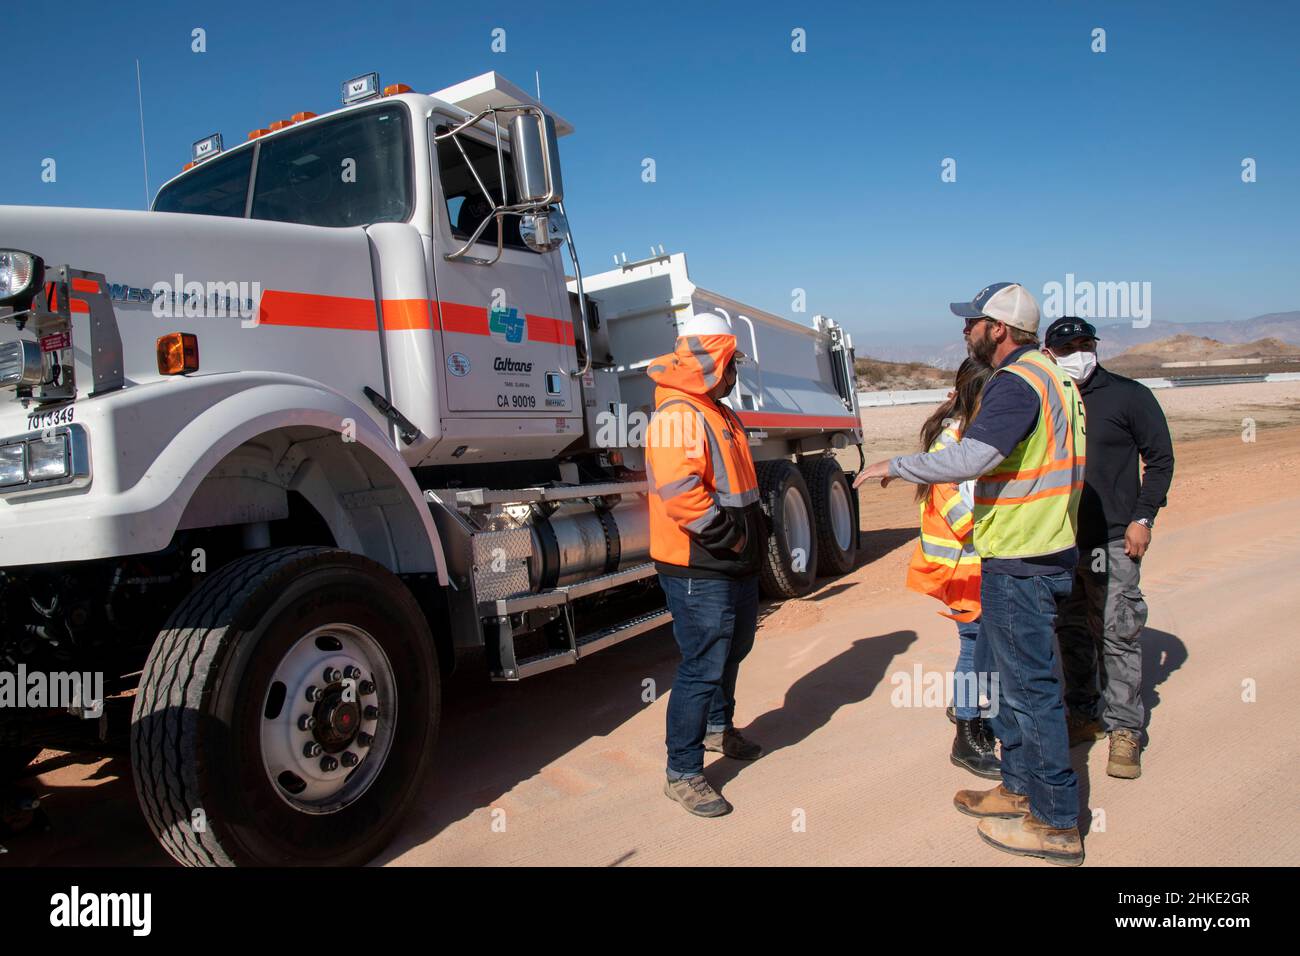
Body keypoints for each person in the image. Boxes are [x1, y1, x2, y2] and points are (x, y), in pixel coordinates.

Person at [855, 282, 1087, 866]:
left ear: (1000, 329)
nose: (965, 331)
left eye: (973, 322)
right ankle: (1016, 788)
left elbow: (970, 458)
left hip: (1021, 556)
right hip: (1039, 549)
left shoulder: (1016, 382)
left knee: (1032, 690)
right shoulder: (1056, 375)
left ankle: (1055, 820)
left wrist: (898, 465)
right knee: (1014, 685)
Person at [645, 313, 768, 817]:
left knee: (734, 648)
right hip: (699, 564)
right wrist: (733, 538)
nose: (736, 372)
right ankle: (683, 772)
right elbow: (681, 494)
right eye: (732, 362)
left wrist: (757, 534)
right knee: (702, 664)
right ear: (716, 361)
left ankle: (719, 728)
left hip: (730, 561)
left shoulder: (714, 409)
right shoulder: (679, 413)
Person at [1042, 317, 1174, 780]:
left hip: (1117, 537)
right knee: (1072, 629)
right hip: (1059, 540)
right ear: (1049, 352)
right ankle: (1084, 712)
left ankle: (1125, 728)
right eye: (1068, 346)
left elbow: (1160, 460)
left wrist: (1143, 518)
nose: (1079, 351)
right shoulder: (1048, 398)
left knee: (1118, 630)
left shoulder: (1129, 395)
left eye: (1085, 343)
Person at [904, 358, 998, 778]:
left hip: (976, 562)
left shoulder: (971, 430)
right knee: (974, 648)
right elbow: (951, 499)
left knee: (985, 648)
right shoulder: (953, 437)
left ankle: (978, 712)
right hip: (965, 566)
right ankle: (968, 733)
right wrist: (994, 533)